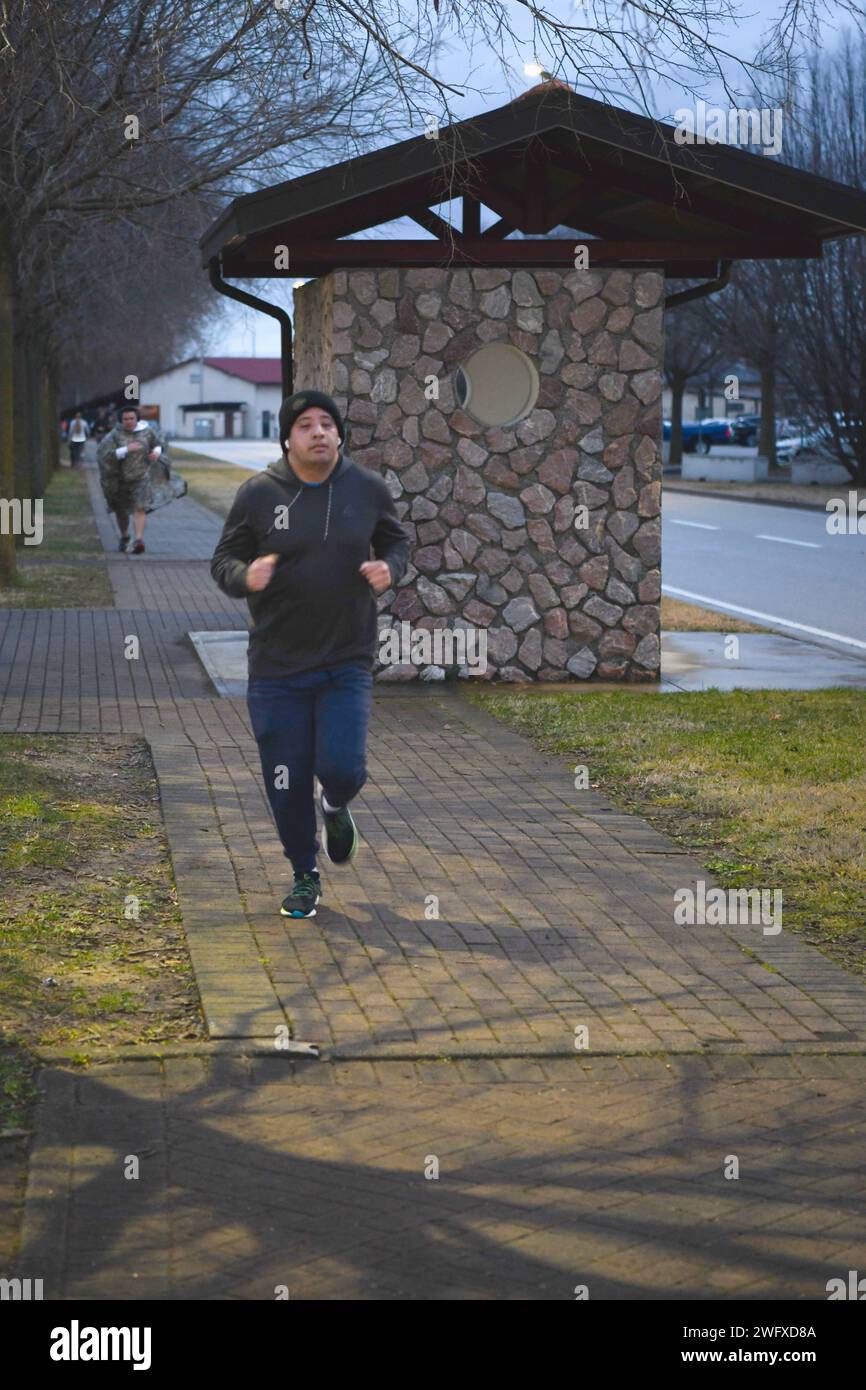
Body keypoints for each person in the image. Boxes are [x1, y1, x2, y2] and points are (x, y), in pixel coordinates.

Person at [211, 390, 409, 919]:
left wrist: (391, 568)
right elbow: (224, 558)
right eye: (305, 425)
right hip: (277, 666)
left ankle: (336, 802)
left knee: (343, 765)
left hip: (346, 659)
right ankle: (304, 873)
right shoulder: (258, 494)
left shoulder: (366, 489)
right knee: (286, 778)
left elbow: (396, 542)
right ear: (288, 438)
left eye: (327, 423)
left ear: (339, 434)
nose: (318, 432)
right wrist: (243, 576)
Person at [96, 406, 175, 552]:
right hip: (119, 479)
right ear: (121, 420)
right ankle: (125, 537)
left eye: (131, 418)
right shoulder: (115, 435)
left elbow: (158, 444)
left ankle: (139, 540)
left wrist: (156, 453)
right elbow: (104, 454)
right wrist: (126, 449)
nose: (129, 421)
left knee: (139, 508)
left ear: (137, 418)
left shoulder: (147, 432)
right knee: (122, 511)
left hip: (141, 477)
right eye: (125, 419)